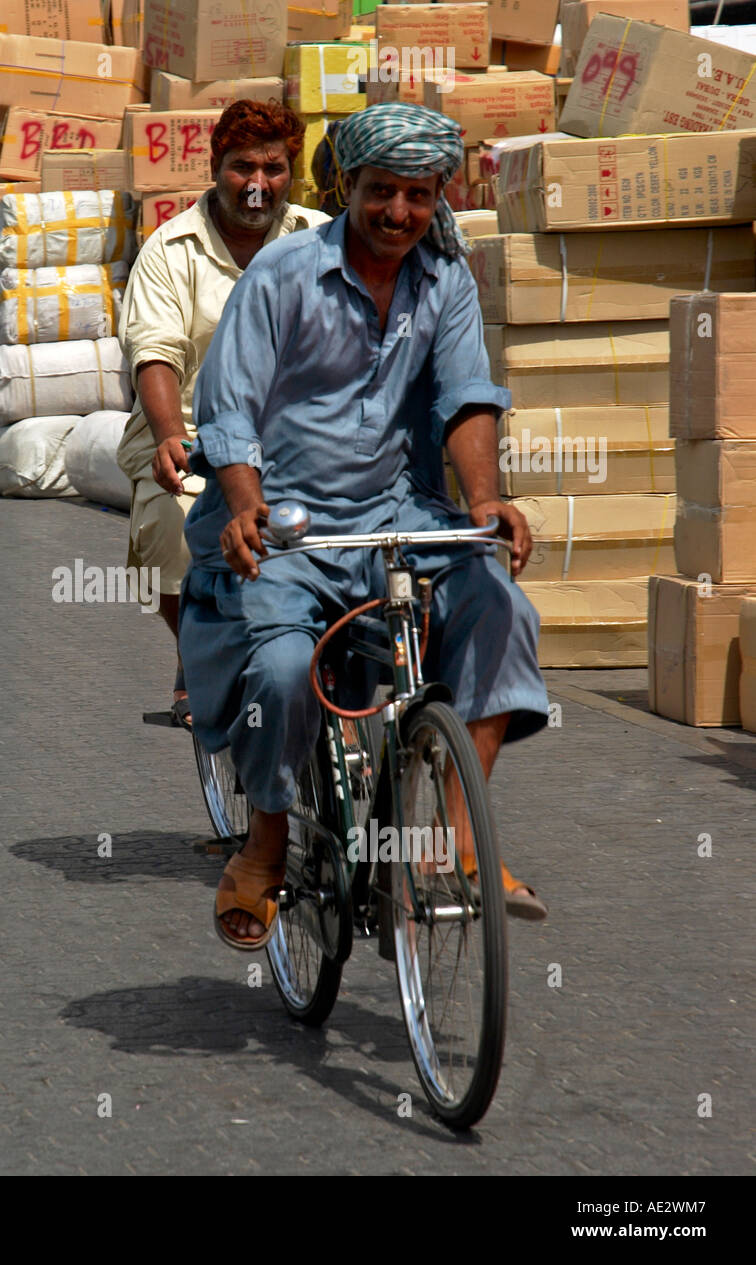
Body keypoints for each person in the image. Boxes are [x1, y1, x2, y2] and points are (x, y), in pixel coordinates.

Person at [179, 103, 550, 949]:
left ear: (436, 197)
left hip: (397, 510)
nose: (399, 214)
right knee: (278, 669)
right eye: (382, 191)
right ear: (347, 186)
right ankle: (267, 838)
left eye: (418, 196)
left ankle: (456, 838)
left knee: (501, 608)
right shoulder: (281, 275)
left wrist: (486, 500)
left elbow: (465, 397)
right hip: (287, 521)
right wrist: (243, 505)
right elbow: (229, 410)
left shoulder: (445, 279)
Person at [116, 100, 328, 726]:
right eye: (242, 168)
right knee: (170, 530)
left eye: (274, 168)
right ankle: (198, 649)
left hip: (298, 436)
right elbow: (155, 352)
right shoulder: (170, 250)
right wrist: (170, 435)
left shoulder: (318, 239)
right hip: (197, 437)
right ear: (215, 168)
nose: (258, 184)